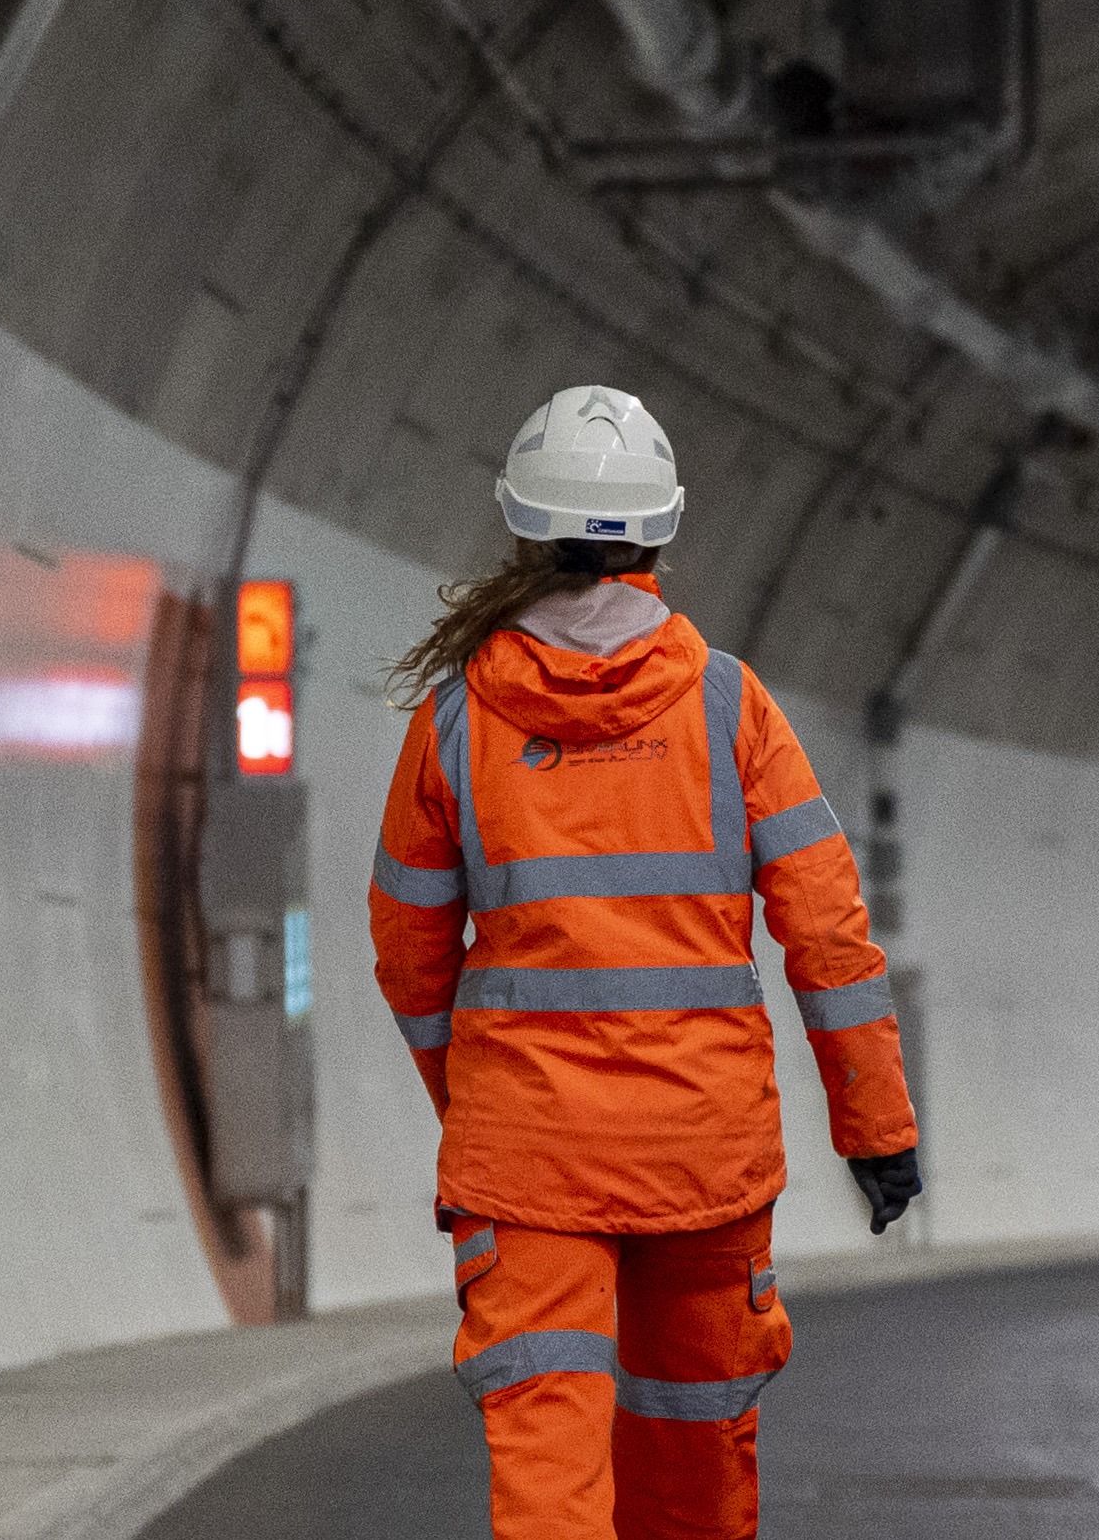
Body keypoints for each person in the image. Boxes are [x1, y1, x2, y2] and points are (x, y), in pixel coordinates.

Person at [369, 384, 922, 1538]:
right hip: (701, 1150)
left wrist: (476, 1100)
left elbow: (408, 946)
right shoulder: (730, 706)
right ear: (661, 530)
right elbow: (828, 932)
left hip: (527, 1160)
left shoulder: (458, 717)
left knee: (546, 1457)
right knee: (692, 1449)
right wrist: (876, 1130)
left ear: (521, 524)